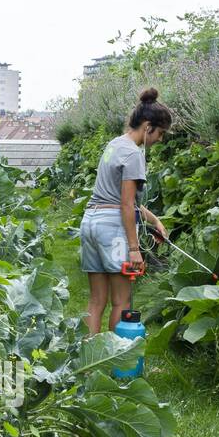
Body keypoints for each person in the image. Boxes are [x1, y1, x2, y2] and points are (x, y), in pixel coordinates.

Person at [80, 87, 172, 335]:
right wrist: (134, 249)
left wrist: (155, 220)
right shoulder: (133, 154)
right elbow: (124, 205)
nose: (159, 139)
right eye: (160, 133)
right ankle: (116, 359)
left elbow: (122, 199)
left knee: (96, 300)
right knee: (122, 301)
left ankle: (88, 362)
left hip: (91, 222)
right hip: (112, 229)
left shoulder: (114, 145)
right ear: (148, 126)